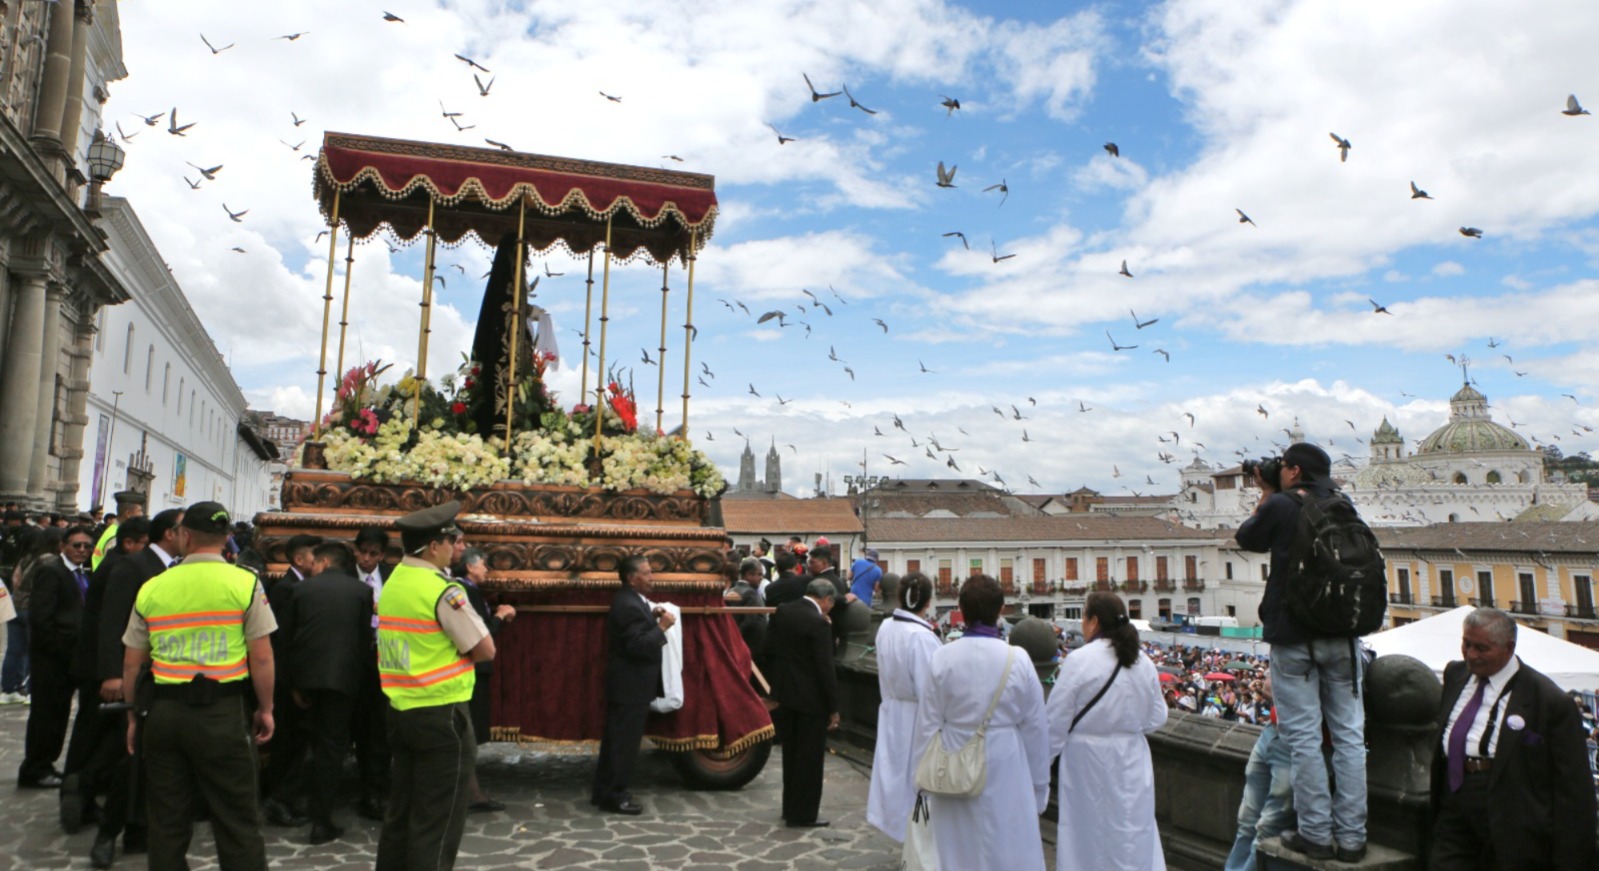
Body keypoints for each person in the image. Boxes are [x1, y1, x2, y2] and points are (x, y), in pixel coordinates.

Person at [121, 502, 276, 871]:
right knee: (237, 819)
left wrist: (132, 716)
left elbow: (132, 662)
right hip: (222, 714)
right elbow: (263, 658)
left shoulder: (153, 587)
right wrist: (266, 708)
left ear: (184, 536)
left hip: (164, 713)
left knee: (167, 821)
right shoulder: (245, 583)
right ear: (226, 541)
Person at [1235, 442, 1367, 862]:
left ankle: (1315, 833)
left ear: (1292, 471)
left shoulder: (1283, 504)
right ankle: (1352, 838)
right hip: (1344, 635)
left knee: (1304, 739)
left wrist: (1267, 491)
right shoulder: (1343, 503)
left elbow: (1247, 538)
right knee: (1349, 737)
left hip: (1294, 636)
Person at [1428, 608, 1597, 870]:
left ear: (1508, 648)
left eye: (1482, 648)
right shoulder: (1456, 675)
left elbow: (1573, 787)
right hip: (1455, 799)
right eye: (1467, 644)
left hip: (1510, 808)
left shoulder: (1549, 700)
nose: (1471, 654)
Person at [376, 501, 494, 871]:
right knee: (437, 823)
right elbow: (485, 649)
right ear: (433, 546)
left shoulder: (395, 579)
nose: (455, 546)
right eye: (451, 539)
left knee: (402, 813)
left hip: (401, 710)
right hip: (442, 715)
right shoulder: (441, 589)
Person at [913, 574, 1051, 869]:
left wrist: (920, 776)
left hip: (954, 756)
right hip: (1006, 759)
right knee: (1006, 839)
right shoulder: (1019, 659)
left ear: (962, 608)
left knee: (956, 844)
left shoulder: (942, 657)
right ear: (1002, 608)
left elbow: (926, 722)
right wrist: (1040, 784)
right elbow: (1036, 727)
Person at [83, 508, 180, 867]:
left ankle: (139, 828)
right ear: (170, 533)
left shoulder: (174, 570)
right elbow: (112, 623)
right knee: (130, 757)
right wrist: (112, 674)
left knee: (153, 761)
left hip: (165, 673)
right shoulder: (133, 566)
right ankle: (108, 830)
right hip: (136, 676)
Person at [1047, 591, 1168, 871]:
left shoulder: (1079, 661)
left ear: (1094, 621)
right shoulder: (1144, 663)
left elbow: (1055, 722)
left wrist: (1040, 768)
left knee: (1087, 835)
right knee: (1132, 830)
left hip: (1086, 760)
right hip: (1132, 759)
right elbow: (1157, 717)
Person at [281, 541, 374, 844]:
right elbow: (363, 640)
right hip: (342, 681)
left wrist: (294, 684)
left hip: (305, 680)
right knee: (331, 748)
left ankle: (286, 798)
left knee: (304, 741)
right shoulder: (361, 591)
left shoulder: (301, 590)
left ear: (321, 562)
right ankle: (321, 819)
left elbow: (288, 639)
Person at [61, 517, 150, 835]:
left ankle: (81, 788)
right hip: (102, 668)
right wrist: (112, 674)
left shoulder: (115, 564)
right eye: (144, 544)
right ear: (130, 543)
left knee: (94, 731)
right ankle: (82, 787)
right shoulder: (122, 569)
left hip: (97, 665)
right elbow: (112, 624)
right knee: (103, 733)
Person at [591, 555, 674, 816]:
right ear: (631, 578)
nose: (652, 578)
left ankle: (603, 791)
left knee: (617, 741)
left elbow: (636, 629)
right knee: (623, 744)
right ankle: (616, 796)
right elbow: (638, 645)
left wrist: (652, 615)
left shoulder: (632, 601)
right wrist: (662, 626)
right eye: (647, 573)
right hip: (630, 686)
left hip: (630, 685)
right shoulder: (627, 604)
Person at [19, 525, 96, 788]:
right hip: (52, 659)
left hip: (69, 657)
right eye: (77, 545)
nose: (82, 551)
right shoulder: (52, 572)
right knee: (46, 716)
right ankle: (36, 768)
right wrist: (57, 648)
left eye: (87, 546)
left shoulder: (81, 573)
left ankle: (45, 764)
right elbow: (41, 618)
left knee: (59, 715)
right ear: (63, 546)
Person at [866, 571, 940, 843]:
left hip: (892, 710)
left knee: (895, 775)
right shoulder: (922, 637)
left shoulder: (886, 627)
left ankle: (902, 831)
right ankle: (916, 837)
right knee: (915, 779)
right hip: (916, 717)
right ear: (928, 602)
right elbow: (929, 689)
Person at [767, 577, 841, 828]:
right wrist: (834, 707)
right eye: (831, 604)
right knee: (809, 761)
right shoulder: (819, 623)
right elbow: (825, 668)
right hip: (812, 701)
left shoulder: (785, 611)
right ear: (826, 599)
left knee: (792, 756)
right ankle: (804, 814)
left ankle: (790, 808)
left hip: (787, 694)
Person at [458, 547, 517, 813]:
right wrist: (500, 617)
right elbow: (479, 633)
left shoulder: (468, 590)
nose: (486, 570)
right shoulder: (465, 590)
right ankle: (471, 793)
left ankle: (472, 791)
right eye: (483, 564)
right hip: (474, 668)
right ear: (470, 566)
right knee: (466, 735)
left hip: (476, 668)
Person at [1223, 674, 1294, 871]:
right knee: (1247, 822)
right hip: (1271, 733)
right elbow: (1268, 687)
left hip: (1299, 744)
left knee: (1268, 828)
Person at [351, 525, 394, 819]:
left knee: (381, 729)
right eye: (363, 552)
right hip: (354, 659)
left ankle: (376, 788)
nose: (367, 559)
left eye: (373, 554)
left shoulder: (391, 576)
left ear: (382, 555)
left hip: (385, 659)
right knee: (359, 728)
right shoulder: (343, 574)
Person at [91, 490, 146, 572]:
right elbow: (115, 569)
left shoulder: (115, 530)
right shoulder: (115, 536)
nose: (142, 514)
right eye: (140, 511)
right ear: (128, 514)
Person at [724, 558, 767, 655]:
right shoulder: (750, 593)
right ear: (748, 574)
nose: (761, 578)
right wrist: (737, 637)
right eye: (759, 574)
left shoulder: (732, 590)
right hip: (751, 645)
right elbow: (750, 621)